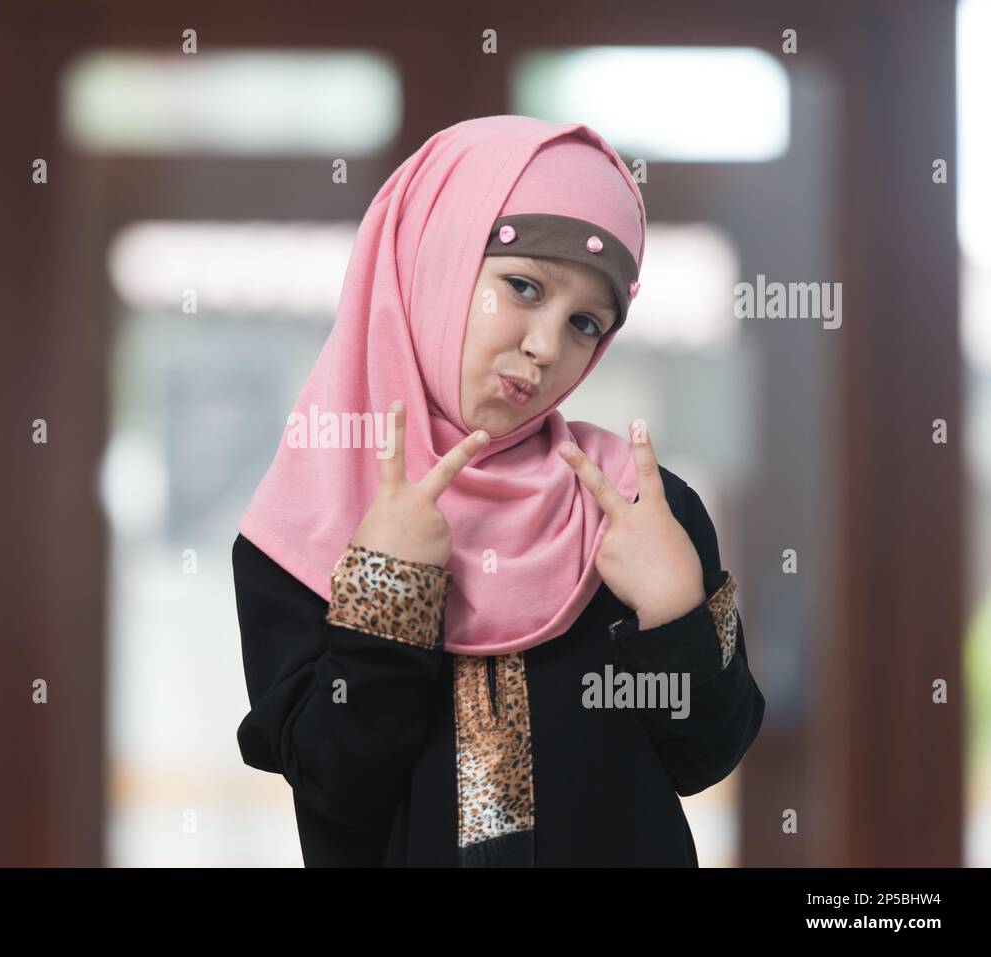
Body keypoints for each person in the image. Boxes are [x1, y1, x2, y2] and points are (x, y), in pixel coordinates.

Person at [232, 115, 765, 867]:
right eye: (522, 286)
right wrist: (389, 592)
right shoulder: (305, 526)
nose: (547, 348)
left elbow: (706, 753)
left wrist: (676, 614)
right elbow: (337, 786)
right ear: (435, 263)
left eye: (585, 322)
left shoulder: (636, 509)